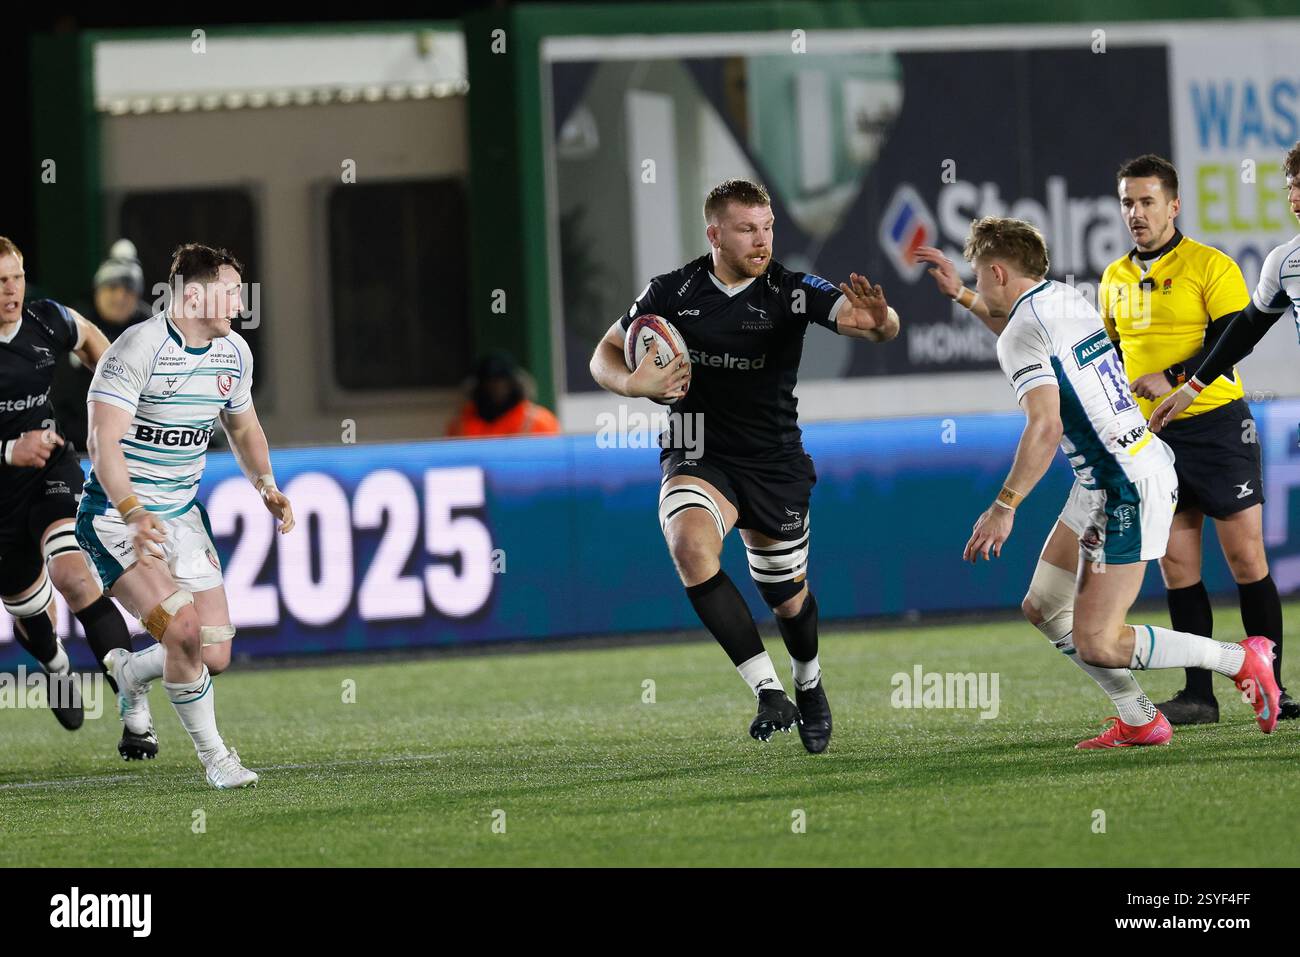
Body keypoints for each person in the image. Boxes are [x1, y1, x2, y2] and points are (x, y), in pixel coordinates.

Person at [931, 217, 1278, 747]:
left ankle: (1238, 658)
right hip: (1112, 474)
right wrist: (965, 298)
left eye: (978, 277)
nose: (978, 285)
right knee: (1044, 607)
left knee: (1099, 641)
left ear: (997, 271)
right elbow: (1023, 333)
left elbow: (1044, 425)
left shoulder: (1026, 331)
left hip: (1124, 485)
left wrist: (1005, 505)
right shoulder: (1064, 299)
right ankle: (1140, 718)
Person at [588, 178, 899, 752]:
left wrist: (882, 322)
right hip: (696, 443)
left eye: (769, 226)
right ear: (715, 234)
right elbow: (603, 352)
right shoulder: (671, 292)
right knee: (689, 544)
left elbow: (872, 323)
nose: (763, 240)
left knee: (786, 596)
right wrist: (632, 383)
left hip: (774, 458)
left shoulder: (793, 289)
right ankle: (766, 689)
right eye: (748, 229)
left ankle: (809, 683)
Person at [78, 243, 295, 788]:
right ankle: (218, 760)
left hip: (182, 517)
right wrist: (131, 511)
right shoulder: (136, 350)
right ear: (194, 295)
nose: (240, 305)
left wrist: (265, 484)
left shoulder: (233, 354)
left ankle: (130, 671)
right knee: (182, 631)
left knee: (213, 653)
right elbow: (102, 443)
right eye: (230, 292)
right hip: (116, 518)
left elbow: (242, 426)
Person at [1095, 155, 1292, 724]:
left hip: (1217, 426)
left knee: (1245, 556)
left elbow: (1236, 340)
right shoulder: (1113, 278)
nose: (1136, 213)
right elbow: (1110, 357)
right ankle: (1199, 696)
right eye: (1128, 202)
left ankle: (1271, 685)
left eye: (1147, 201)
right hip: (1153, 439)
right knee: (1177, 567)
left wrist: (1176, 378)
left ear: (1174, 205)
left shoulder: (1211, 265)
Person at [0, 236, 136, 734]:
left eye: (16, 277)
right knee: (29, 612)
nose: (11, 290)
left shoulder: (46, 319)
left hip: (51, 471)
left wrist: (114, 391)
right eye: (0, 282)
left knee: (76, 577)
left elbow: (89, 338)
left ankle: (134, 705)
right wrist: (8, 451)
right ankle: (55, 665)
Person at [1152, 142, 1300, 452]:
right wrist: (1192, 389)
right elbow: (1245, 331)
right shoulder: (1285, 262)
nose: (1293, 199)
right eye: (1290, 188)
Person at [51, 239, 151, 454]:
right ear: (98, 288)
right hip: (77, 449)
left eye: (129, 290)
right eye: (112, 287)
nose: (120, 297)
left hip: (137, 449)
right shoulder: (73, 325)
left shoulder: (151, 327)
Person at [446, 352, 561, 437]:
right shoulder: (460, 423)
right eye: (489, 380)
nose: (496, 387)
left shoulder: (539, 421)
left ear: (514, 383)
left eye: (502, 380)